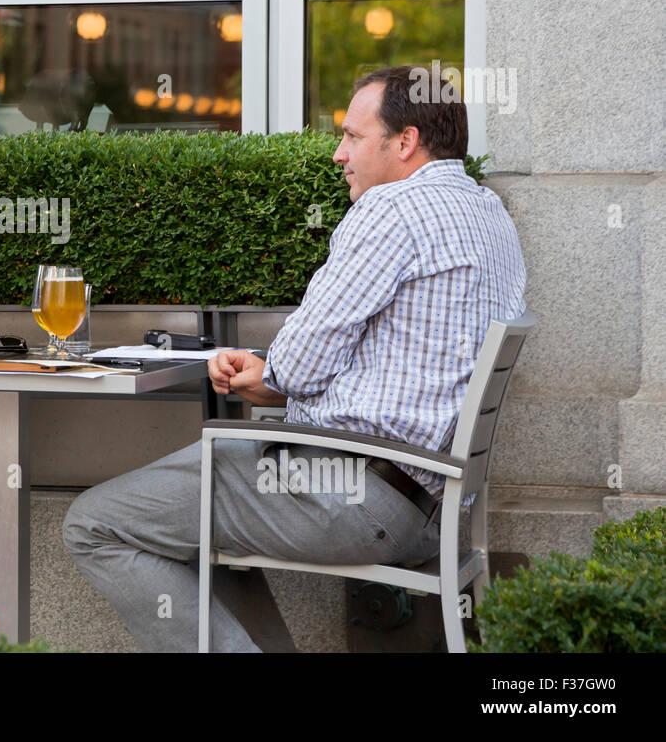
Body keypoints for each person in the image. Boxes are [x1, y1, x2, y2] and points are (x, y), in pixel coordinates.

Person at [63, 64, 527, 652]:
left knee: (96, 523)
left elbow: (303, 366)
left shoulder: (392, 210)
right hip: (432, 507)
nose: (339, 154)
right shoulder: (490, 216)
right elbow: (396, 364)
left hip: (353, 498)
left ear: (405, 142)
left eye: (353, 137)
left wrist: (274, 377)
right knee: (196, 513)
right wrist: (279, 377)